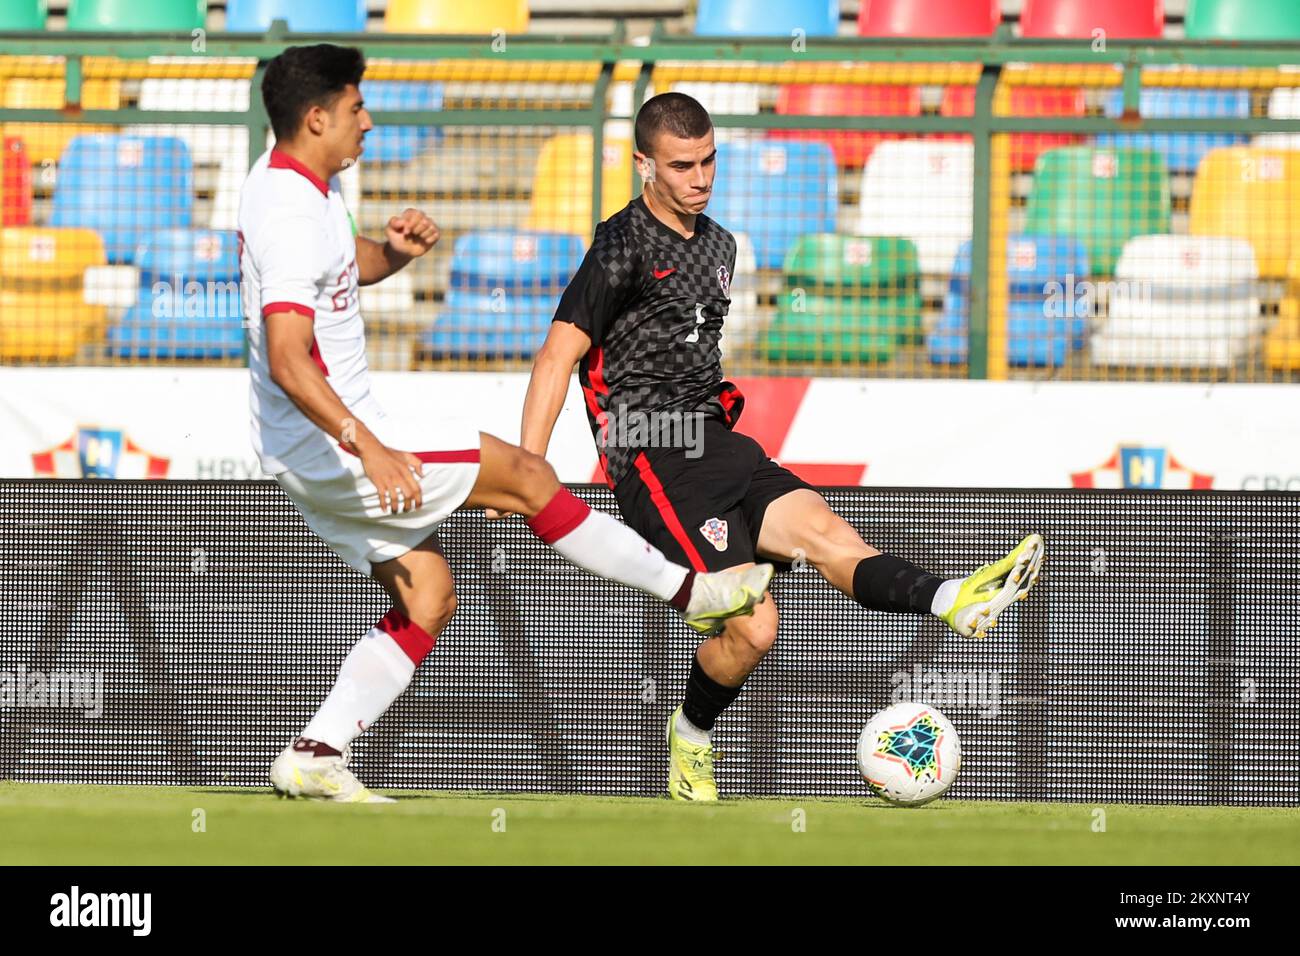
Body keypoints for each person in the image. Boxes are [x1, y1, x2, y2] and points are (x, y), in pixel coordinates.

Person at [240, 48, 773, 803]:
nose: (369, 120)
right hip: (334, 437)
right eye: (357, 108)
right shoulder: (289, 209)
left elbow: (340, 268)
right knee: (527, 476)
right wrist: (372, 448)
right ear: (317, 117)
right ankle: (694, 596)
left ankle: (315, 752)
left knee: (429, 593)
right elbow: (291, 360)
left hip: (315, 442)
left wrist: (390, 252)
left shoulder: (304, 189)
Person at [516, 92, 1045, 801]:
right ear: (643, 164)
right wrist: (529, 467)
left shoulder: (721, 245)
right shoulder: (621, 244)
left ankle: (955, 598)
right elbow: (556, 358)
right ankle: (692, 737)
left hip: (716, 441)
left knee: (829, 534)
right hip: (650, 454)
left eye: (708, 160)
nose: (699, 177)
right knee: (756, 628)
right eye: (681, 165)